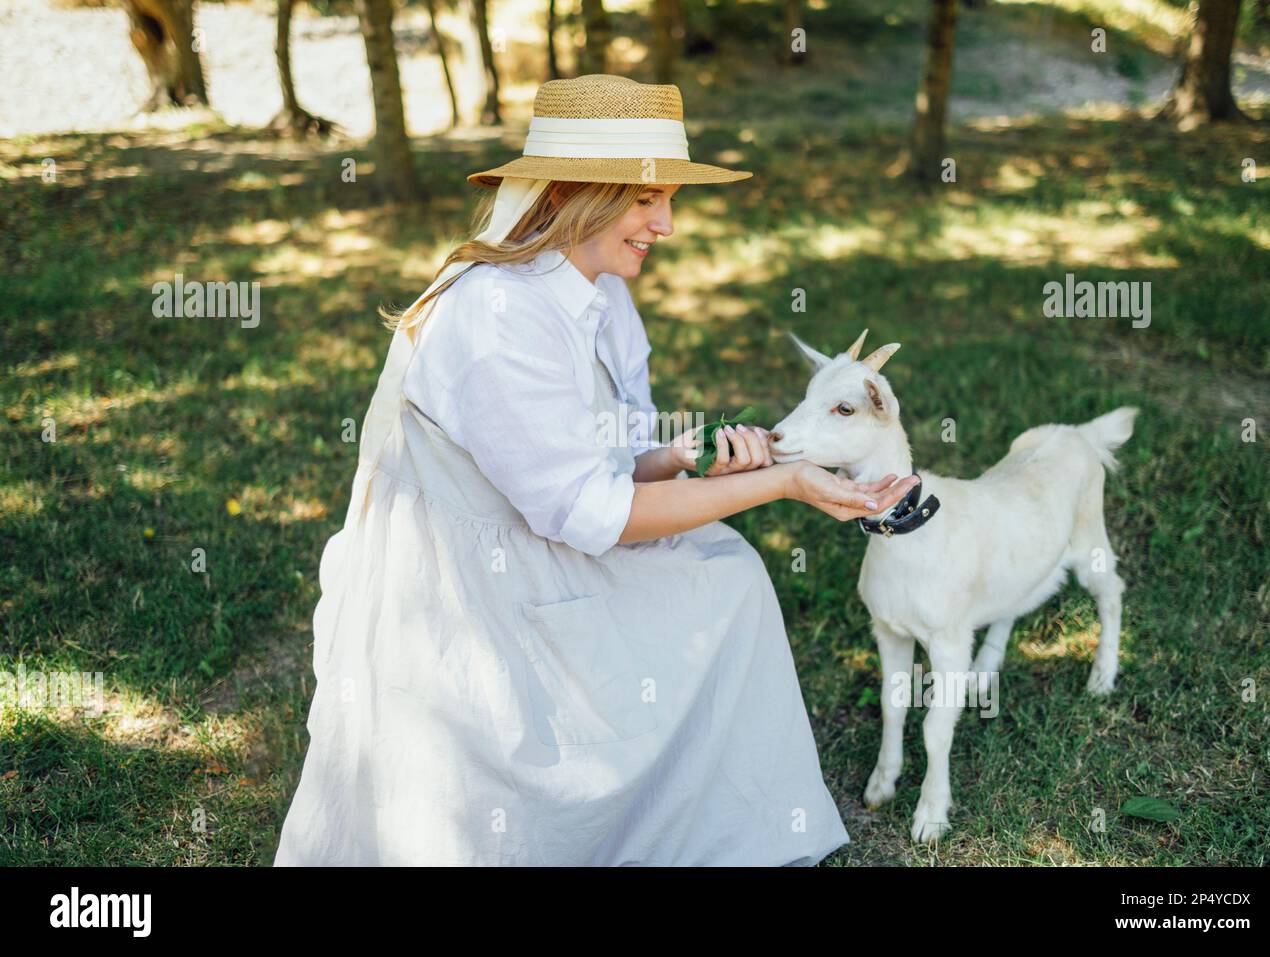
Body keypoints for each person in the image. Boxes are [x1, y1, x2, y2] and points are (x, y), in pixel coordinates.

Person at [274, 74, 919, 866]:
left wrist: (685, 455)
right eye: (647, 200)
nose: (668, 223)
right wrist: (783, 482)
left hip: (542, 526)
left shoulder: (601, 293)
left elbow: (599, 462)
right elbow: (593, 513)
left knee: (728, 570)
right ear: (582, 191)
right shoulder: (500, 316)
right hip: (481, 579)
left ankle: (711, 824)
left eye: (669, 199)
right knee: (718, 578)